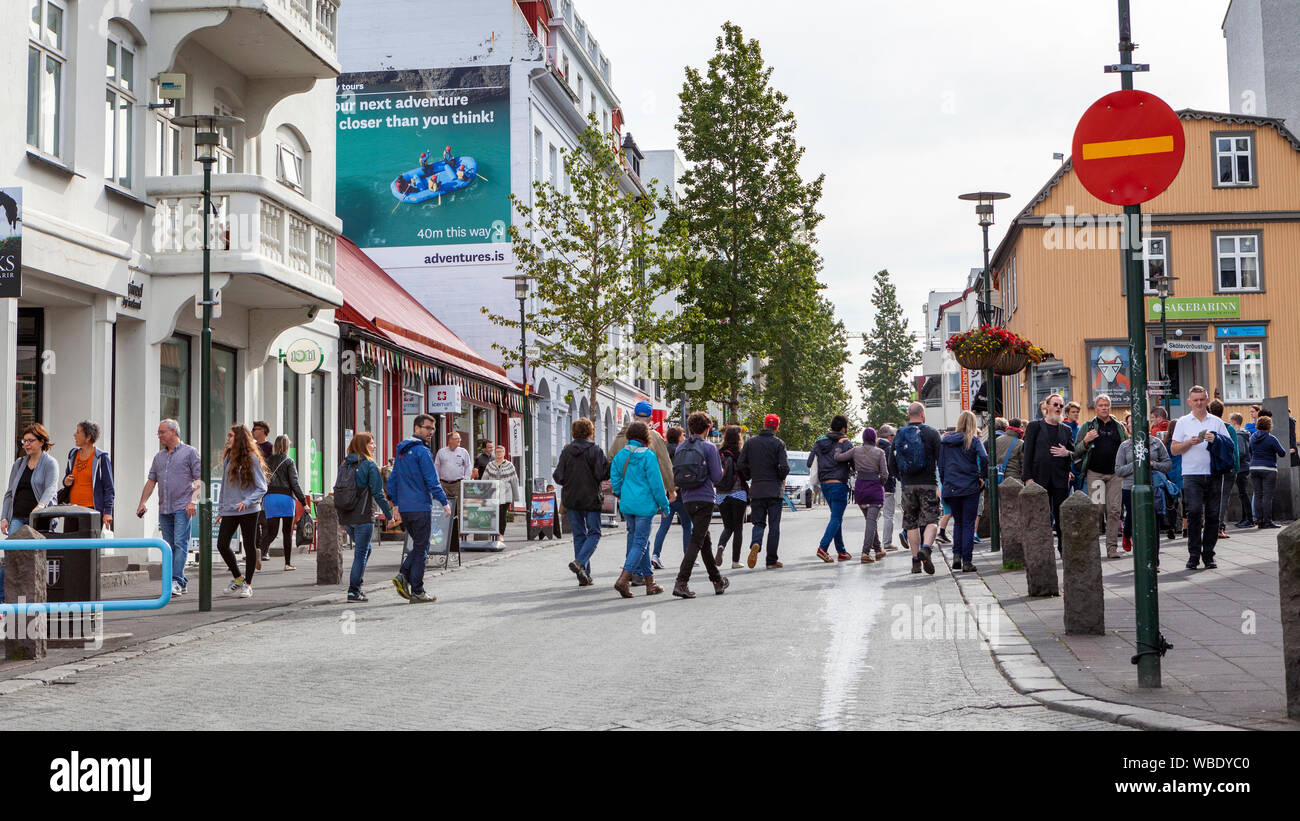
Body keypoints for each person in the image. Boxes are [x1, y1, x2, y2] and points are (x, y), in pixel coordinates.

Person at [388, 415, 452, 604]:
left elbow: (393, 481)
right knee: (422, 548)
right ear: (417, 428)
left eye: (432, 429)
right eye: (427, 428)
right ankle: (417, 590)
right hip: (420, 506)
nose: (431, 432)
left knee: (418, 546)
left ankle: (403, 576)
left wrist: (397, 504)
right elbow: (432, 480)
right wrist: (444, 502)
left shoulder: (401, 451)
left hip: (406, 508)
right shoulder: (422, 452)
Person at [610, 401, 677, 582]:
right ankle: (627, 575)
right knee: (641, 538)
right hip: (645, 499)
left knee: (635, 537)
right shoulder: (653, 438)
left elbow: (611, 463)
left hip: (626, 499)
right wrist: (670, 491)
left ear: (633, 415)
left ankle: (645, 578)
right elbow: (663, 467)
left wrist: (619, 491)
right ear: (649, 418)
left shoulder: (620, 438)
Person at [136, 420, 202, 597]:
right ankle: (179, 581)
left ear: (173, 432)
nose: (159, 436)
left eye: (162, 432)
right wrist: (142, 502)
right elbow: (151, 481)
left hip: (183, 506)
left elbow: (199, 479)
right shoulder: (159, 457)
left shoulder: (190, 452)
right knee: (169, 546)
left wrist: (193, 501)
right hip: (164, 508)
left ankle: (176, 581)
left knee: (180, 544)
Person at [1169, 386, 1230, 570]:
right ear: (1190, 402)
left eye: (1202, 399)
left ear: (1207, 399)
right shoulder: (1183, 422)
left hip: (1213, 472)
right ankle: (1194, 554)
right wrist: (1189, 442)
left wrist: (1215, 439)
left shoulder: (1217, 421)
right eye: (1195, 400)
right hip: (1191, 473)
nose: (1199, 403)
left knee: (1213, 515)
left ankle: (1208, 554)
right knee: (1194, 512)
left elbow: (1228, 444)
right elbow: (1173, 449)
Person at [0, 424, 61, 603]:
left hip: (39, 519)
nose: (26, 444)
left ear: (42, 442)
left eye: (30, 441)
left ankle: (35, 599)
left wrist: (41, 505)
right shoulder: (19, 464)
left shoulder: (50, 463)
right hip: (18, 517)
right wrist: (4, 517)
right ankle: (3, 599)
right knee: (11, 557)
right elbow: (10, 493)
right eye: (24, 441)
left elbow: (51, 488)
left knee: (36, 558)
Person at [670, 412, 727, 598]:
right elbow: (717, 477)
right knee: (697, 540)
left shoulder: (680, 448)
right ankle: (681, 581)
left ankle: (717, 580)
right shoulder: (709, 448)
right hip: (704, 499)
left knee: (705, 540)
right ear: (707, 428)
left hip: (687, 499)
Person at [213, 425, 268, 598]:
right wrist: (221, 509)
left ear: (239, 439)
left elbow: (262, 487)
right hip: (230, 509)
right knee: (222, 544)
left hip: (249, 510)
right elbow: (224, 486)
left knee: (249, 546)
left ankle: (248, 584)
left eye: (230, 436)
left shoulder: (251, 458)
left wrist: (247, 501)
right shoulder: (229, 457)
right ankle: (238, 578)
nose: (227, 439)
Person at [554, 417, 609, 586]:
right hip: (591, 498)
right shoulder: (596, 450)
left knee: (579, 535)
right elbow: (603, 474)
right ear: (590, 431)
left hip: (572, 499)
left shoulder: (567, 451)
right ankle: (580, 563)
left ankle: (584, 574)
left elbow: (558, 476)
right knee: (594, 533)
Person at [341, 432, 394, 603]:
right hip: (363, 515)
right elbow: (378, 493)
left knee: (365, 550)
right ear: (363, 445)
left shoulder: (344, 463)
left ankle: (356, 587)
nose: (374, 446)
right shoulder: (370, 465)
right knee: (361, 553)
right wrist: (389, 514)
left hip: (346, 515)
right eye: (371, 443)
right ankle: (353, 591)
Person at [1115, 415, 1172, 567]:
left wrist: (1152, 464)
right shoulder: (1124, 446)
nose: (1134, 427)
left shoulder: (1156, 443)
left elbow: (1167, 465)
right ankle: (1139, 557)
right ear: (1127, 427)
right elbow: (1118, 471)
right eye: (1130, 424)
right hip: (1130, 489)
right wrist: (1136, 465)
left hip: (1153, 487)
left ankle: (1154, 561)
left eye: (1138, 424)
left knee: (1154, 524)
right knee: (1135, 523)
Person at [1074, 395, 1127, 558]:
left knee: (1114, 510)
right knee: (1097, 509)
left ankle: (1112, 548)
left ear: (1110, 407)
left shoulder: (1119, 427)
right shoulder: (1088, 426)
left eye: (1107, 405)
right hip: (1095, 474)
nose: (1104, 408)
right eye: (1101, 405)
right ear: (1096, 408)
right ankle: (1094, 547)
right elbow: (1076, 450)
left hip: (1115, 475)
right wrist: (1086, 440)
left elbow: (1126, 447)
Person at [1021, 394, 1075, 547]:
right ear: (1047, 406)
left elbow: (1074, 453)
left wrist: (1067, 453)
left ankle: (1063, 548)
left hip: (1060, 478)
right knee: (1040, 514)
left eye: (1061, 406)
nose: (1058, 408)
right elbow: (1027, 454)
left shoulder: (1066, 430)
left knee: (1060, 515)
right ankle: (1041, 548)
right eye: (1055, 404)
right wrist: (1027, 478)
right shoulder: (1034, 426)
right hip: (1039, 478)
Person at [896, 402, 943, 575]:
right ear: (922, 414)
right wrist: (941, 481)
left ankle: (916, 561)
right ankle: (926, 548)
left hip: (907, 485)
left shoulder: (899, 434)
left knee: (911, 522)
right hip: (928, 483)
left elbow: (891, 462)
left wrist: (901, 479)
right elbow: (941, 459)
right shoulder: (931, 433)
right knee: (932, 520)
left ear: (909, 415)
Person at [937, 411, 988, 572]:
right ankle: (967, 561)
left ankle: (956, 556)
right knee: (968, 524)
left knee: (958, 522)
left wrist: (946, 482)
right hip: (970, 486)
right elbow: (985, 458)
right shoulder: (973, 440)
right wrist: (982, 477)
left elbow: (941, 465)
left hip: (952, 487)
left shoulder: (946, 441)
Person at [737, 413, 789, 569]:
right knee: (774, 526)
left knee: (758, 523)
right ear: (777, 427)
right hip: (774, 490)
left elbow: (741, 464)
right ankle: (771, 560)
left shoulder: (750, 443)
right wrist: (779, 477)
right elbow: (784, 467)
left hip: (757, 489)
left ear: (764, 425)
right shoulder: (779, 444)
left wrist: (749, 475)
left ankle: (756, 543)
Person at [837, 426, 889, 564]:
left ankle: (878, 550)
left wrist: (839, 445)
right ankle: (865, 552)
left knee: (871, 521)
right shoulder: (880, 452)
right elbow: (885, 474)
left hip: (860, 489)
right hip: (874, 489)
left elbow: (838, 457)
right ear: (875, 438)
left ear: (863, 438)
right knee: (871, 522)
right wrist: (880, 484)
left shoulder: (856, 450)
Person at [809, 415, 855, 562]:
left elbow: (809, 462)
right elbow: (854, 464)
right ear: (843, 428)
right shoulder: (846, 442)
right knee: (836, 517)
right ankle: (823, 548)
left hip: (825, 485)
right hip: (839, 484)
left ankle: (841, 551)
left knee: (836, 517)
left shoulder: (819, 441)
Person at [260, 435, 309, 571]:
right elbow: (294, 483)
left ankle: (260, 551)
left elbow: (262, 481)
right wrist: (303, 502)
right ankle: (287, 564)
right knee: (287, 532)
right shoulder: (289, 461)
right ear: (287, 446)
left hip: (270, 498)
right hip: (285, 498)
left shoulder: (267, 461)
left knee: (271, 532)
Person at [59, 420, 115, 530]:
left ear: (88, 437)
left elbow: (109, 488)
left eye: (78, 432)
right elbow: (66, 479)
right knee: (70, 546)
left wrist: (108, 512)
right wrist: (66, 481)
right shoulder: (73, 455)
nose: (74, 434)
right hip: (72, 509)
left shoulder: (101, 458)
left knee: (88, 546)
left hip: (92, 511)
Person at [651, 426, 691, 568]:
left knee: (664, 526)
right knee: (687, 525)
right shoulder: (682, 452)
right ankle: (688, 556)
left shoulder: (663, 451)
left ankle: (655, 555)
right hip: (680, 495)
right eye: (683, 435)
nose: (685, 437)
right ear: (678, 437)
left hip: (666, 495)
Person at [712, 426, 749, 569]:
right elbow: (746, 473)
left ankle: (721, 546)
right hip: (738, 492)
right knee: (738, 528)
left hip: (721, 494)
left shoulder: (719, 452)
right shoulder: (739, 453)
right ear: (738, 438)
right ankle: (735, 561)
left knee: (728, 526)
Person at [435, 430, 472, 550]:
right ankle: (443, 534)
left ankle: (459, 536)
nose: (459, 441)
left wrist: (466, 480)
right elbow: (436, 467)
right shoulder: (441, 452)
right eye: (457, 439)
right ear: (450, 440)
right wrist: (437, 483)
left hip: (457, 483)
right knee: (443, 509)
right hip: (444, 484)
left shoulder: (463, 452)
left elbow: (468, 466)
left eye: (459, 439)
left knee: (459, 509)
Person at [1249, 414, 1287, 529]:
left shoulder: (1252, 438)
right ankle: (1267, 521)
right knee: (1267, 496)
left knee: (1258, 494)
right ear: (1269, 426)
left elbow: (1250, 451)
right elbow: (1282, 453)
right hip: (1268, 469)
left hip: (1254, 468)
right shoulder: (1271, 438)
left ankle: (1259, 521)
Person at [1209, 400, 1240, 541]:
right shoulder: (1229, 428)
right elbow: (1235, 450)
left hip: (1211, 467)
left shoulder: (1207, 427)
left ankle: (1211, 526)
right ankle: (1219, 528)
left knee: (1212, 498)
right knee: (1223, 498)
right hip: (1227, 468)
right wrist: (1237, 468)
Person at [480, 444, 521, 542]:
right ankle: (493, 533)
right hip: (492, 494)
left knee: (502, 515)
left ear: (504, 453)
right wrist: (482, 494)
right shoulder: (490, 465)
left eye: (500, 452)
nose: (499, 453)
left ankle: (501, 534)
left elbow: (514, 481)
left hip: (506, 494)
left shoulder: (510, 465)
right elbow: (484, 479)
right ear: (495, 453)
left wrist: (516, 497)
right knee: (493, 514)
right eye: (497, 452)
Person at [876, 425, 900, 552]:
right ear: (889, 436)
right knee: (889, 515)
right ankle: (887, 543)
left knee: (874, 516)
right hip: (888, 486)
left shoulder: (873, 447)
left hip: (873, 486)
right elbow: (893, 467)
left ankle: (873, 542)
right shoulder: (889, 449)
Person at [1229, 412, 1254, 528]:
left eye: (1230, 421)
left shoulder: (1238, 435)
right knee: (1242, 493)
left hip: (1241, 467)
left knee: (1243, 494)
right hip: (1246, 466)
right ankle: (1245, 518)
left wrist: (1234, 460)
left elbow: (1242, 451)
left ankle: (1249, 519)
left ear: (1234, 421)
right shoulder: (1245, 434)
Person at [995, 417, 1025, 486]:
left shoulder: (997, 440)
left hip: (998, 479)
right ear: (1020, 427)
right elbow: (1023, 464)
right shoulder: (1020, 443)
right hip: (1014, 481)